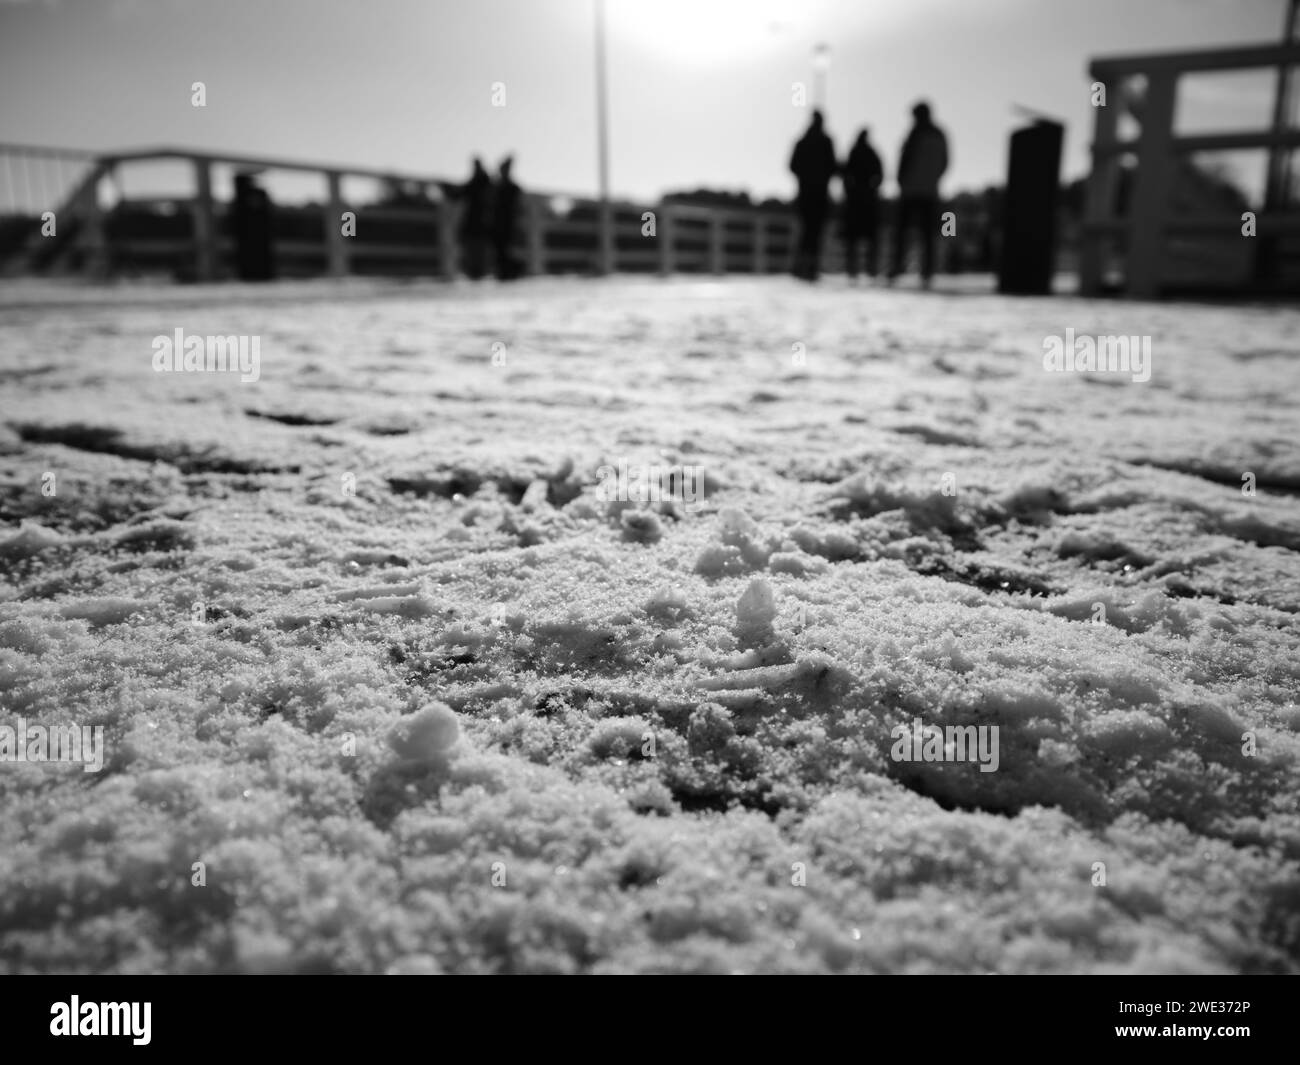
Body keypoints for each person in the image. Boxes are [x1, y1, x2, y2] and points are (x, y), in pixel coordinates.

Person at [889, 101, 949, 287]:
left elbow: (905, 159)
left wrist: (901, 180)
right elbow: (945, 161)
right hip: (929, 189)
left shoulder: (916, 134)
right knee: (927, 233)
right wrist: (934, 179)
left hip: (911, 190)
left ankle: (898, 266)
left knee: (904, 231)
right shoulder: (939, 134)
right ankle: (927, 269)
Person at [789, 110, 837, 280]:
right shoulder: (826, 142)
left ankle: (802, 265)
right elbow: (833, 166)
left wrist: (805, 177)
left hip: (806, 193)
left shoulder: (803, 141)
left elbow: (793, 165)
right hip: (818, 194)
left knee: (805, 230)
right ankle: (810, 266)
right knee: (814, 231)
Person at [840, 129, 883, 279]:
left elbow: (845, 174)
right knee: (868, 238)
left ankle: (854, 269)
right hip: (867, 199)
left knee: (855, 238)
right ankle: (870, 268)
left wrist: (849, 190)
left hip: (857, 199)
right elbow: (880, 175)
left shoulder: (854, 152)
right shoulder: (871, 153)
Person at [454, 157, 492, 279]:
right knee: (475, 251)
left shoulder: (479, 183)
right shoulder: (483, 183)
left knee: (476, 251)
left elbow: (459, 194)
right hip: (477, 224)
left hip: (477, 223)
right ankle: (476, 274)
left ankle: (476, 274)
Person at [492, 155, 523, 281]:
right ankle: (505, 273)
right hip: (500, 224)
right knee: (501, 250)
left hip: (508, 223)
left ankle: (509, 273)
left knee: (507, 249)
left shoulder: (510, 187)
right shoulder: (499, 186)